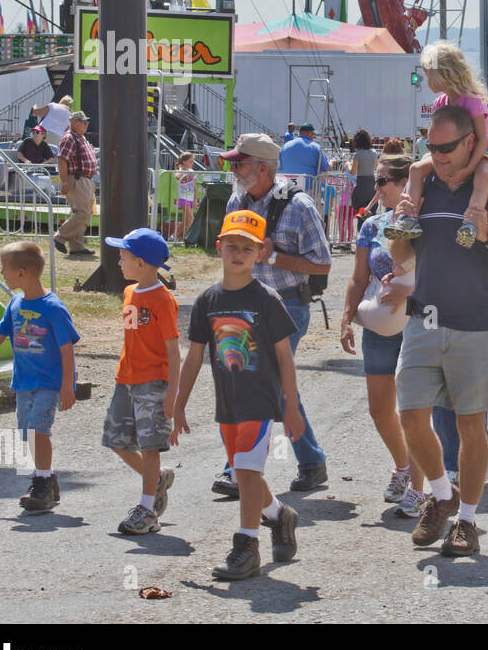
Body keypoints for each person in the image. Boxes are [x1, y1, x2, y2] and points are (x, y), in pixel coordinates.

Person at [390, 104, 488, 557]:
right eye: (431, 148)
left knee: (469, 425)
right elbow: (400, 256)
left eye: (447, 148)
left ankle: (467, 521)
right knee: (410, 415)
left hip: (478, 326)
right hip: (424, 322)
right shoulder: (425, 190)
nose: (438, 156)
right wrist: (403, 219)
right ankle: (441, 494)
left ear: (471, 142)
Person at [173, 210, 305, 581]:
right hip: (226, 405)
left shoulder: (267, 299)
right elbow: (195, 355)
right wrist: (179, 403)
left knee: (246, 471)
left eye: (247, 248)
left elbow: (284, 357)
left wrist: (290, 408)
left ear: (261, 252)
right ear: (219, 248)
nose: (238, 253)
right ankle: (280, 515)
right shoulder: (206, 301)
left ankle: (247, 546)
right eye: (232, 245)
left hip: (260, 403)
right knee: (248, 475)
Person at [217, 133, 332, 496]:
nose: (233, 168)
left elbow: (322, 262)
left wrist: (275, 256)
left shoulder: (298, 206)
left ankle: (238, 468)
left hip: (287, 305)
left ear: (262, 169)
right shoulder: (237, 199)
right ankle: (311, 462)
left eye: (240, 162)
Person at [0, 242, 78, 513]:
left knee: (37, 430)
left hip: (48, 383)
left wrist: (67, 386)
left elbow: (68, 349)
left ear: (22, 272)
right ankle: (47, 480)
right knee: (28, 434)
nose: (2, 272)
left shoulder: (53, 307)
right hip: (23, 382)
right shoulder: (15, 303)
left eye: (5, 268)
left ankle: (42, 481)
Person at [340, 153, 428, 517]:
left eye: (380, 181)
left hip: (418, 320)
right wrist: (347, 316)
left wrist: (407, 293)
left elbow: (439, 275)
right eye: (375, 180)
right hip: (378, 323)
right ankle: (403, 466)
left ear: (403, 184)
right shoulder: (371, 225)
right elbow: (359, 277)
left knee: (413, 410)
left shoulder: (425, 223)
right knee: (379, 409)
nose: (374, 187)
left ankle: (420, 490)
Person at [101, 228, 179, 535]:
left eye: (123, 257)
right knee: (116, 441)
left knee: (150, 446)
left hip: (153, 383)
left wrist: (173, 391)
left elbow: (173, 348)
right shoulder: (129, 292)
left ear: (142, 263)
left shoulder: (163, 300)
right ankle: (157, 479)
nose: (119, 262)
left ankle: (147, 510)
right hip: (126, 379)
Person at [388, 42, 488, 248]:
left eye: (428, 74)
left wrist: (467, 169)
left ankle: (471, 222)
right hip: (453, 152)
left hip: (483, 151)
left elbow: (483, 139)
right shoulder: (440, 103)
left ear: (444, 74)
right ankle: (409, 218)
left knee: (483, 174)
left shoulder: (472, 101)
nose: (425, 79)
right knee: (415, 168)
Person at [54, 110, 97, 256]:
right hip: (77, 179)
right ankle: (60, 236)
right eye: (83, 122)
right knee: (82, 212)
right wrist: (65, 183)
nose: (86, 124)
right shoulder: (69, 138)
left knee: (82, 212)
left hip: (85, 180)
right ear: (74, 123)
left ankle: (77, 247)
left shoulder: (79, 137)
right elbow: (62, 160)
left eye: (86, 122)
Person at [278, 123, 331, 193]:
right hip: (307, 190)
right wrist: (332, 163)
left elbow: (280, 168)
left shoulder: (284, 147)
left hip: (285, 189)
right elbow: (325, 168)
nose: (313, 137)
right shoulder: (316, 147)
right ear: (308, 133)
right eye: (313, 134)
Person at [349, 129, 378, 231]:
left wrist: (347, 165)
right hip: (372, 186)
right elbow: (376, 167)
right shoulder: (374, 153)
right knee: (372, 214)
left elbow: (353, 172)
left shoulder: (357, 154)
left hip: (361, 187)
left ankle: (362, 238)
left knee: (361, 216)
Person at [174, 151, 197, 242]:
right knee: (191, 218)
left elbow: (194, 187)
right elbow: (177, 176)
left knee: (185, 220)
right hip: (183, 198)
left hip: (190, 197)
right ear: (184, 162)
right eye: (190, 161)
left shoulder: (192, 172)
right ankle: (188, 238)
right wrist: (180, 167)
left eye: (193, 161)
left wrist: (195, 200)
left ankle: (176, 236)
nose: (192, 163)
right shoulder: (180, 170)